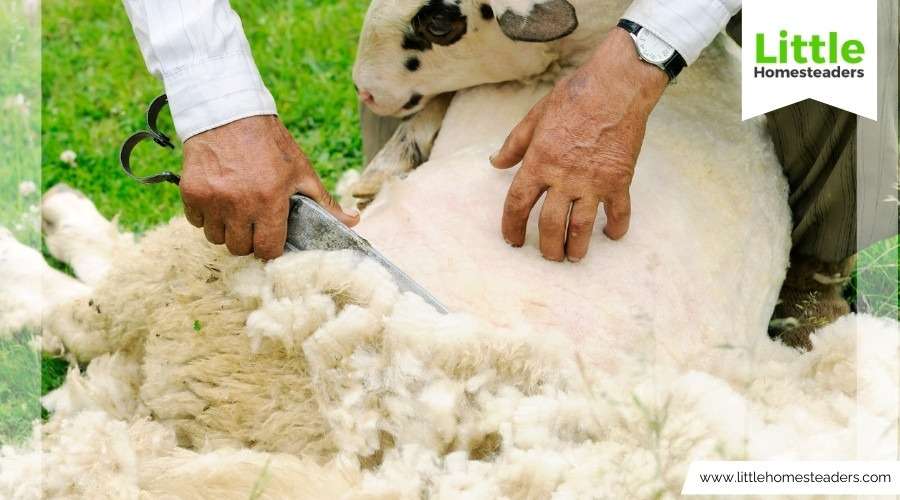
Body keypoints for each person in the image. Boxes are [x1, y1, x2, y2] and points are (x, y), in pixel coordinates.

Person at [123, 1, 890, 350]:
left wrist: (637, 60)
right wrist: (217, 103)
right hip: (482, 16)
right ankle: (414, 189)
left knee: (842, 24)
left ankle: (811, 269)